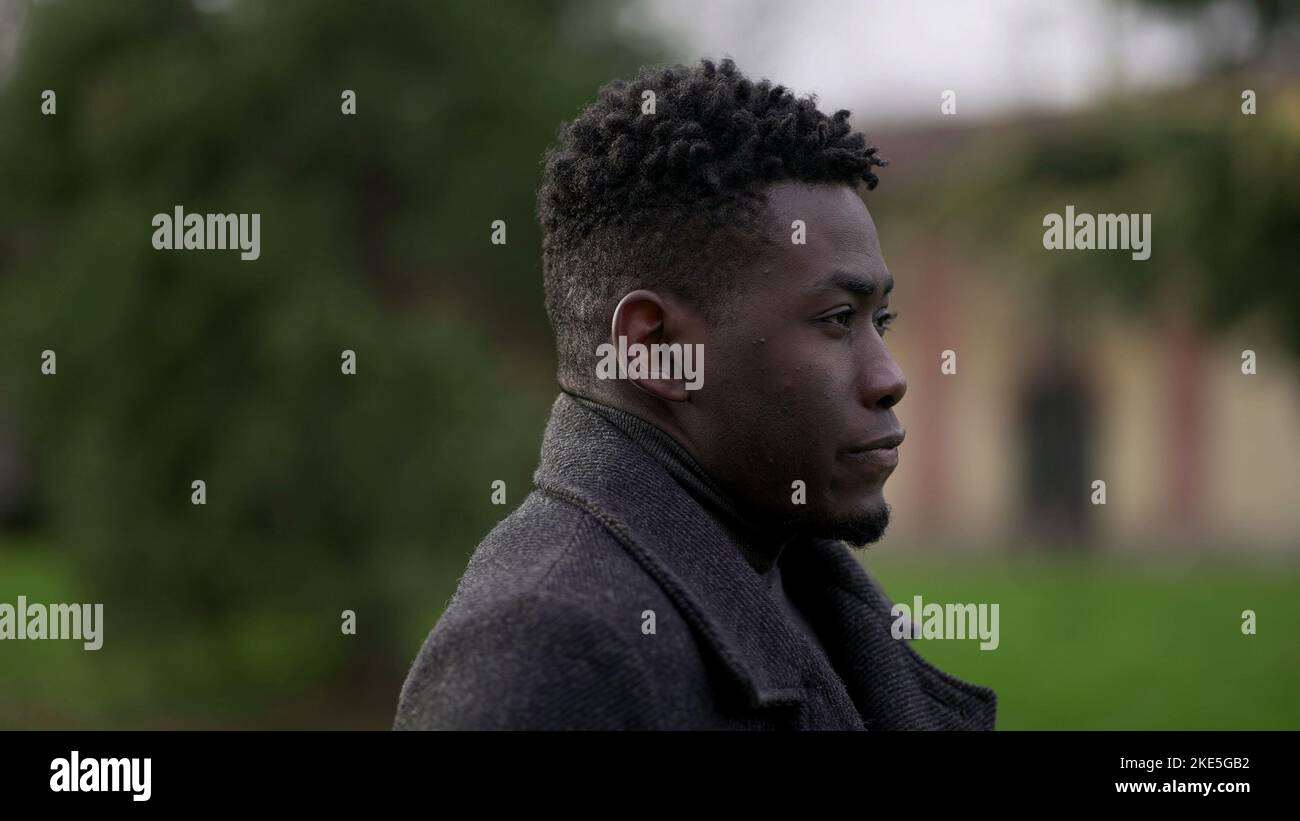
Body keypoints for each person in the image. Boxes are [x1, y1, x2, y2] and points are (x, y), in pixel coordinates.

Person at [394, 57, 996, 730]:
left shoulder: (797, 582)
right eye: (835, 321)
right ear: (654, 347)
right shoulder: (545, 654)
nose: (890, 377)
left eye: (879, 321)